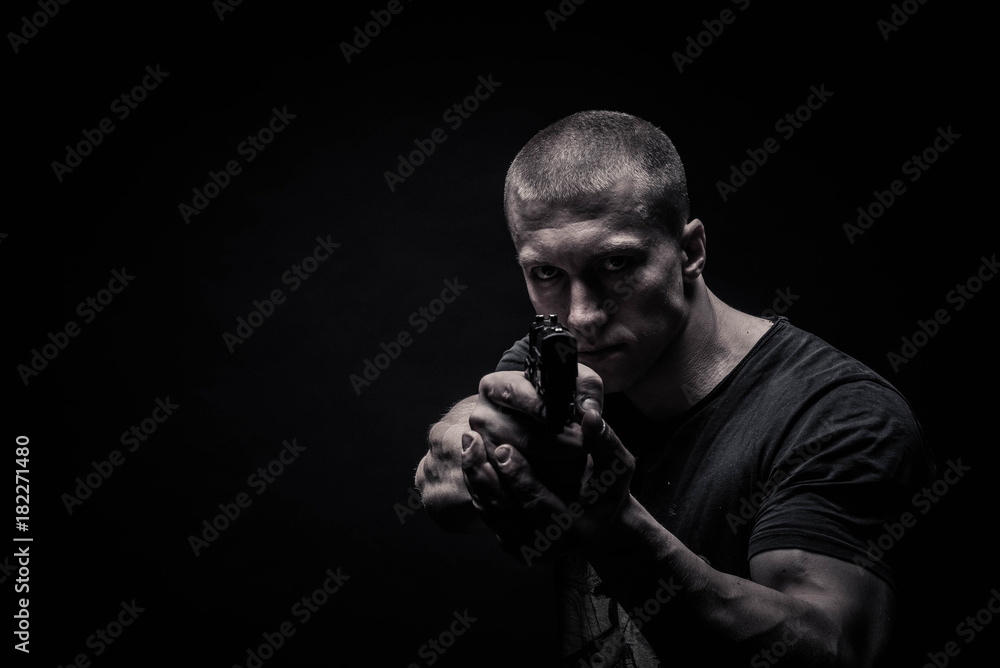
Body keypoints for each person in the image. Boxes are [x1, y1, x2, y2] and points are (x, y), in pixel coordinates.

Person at [415, 110, 935, 666]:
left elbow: (835, 650)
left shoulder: (837, 415)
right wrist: (492, 453)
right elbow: (440, 483)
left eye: (616, 264)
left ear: (689, 251)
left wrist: (616, 530)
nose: (582, 315)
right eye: (547, 274)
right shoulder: (561, 366)